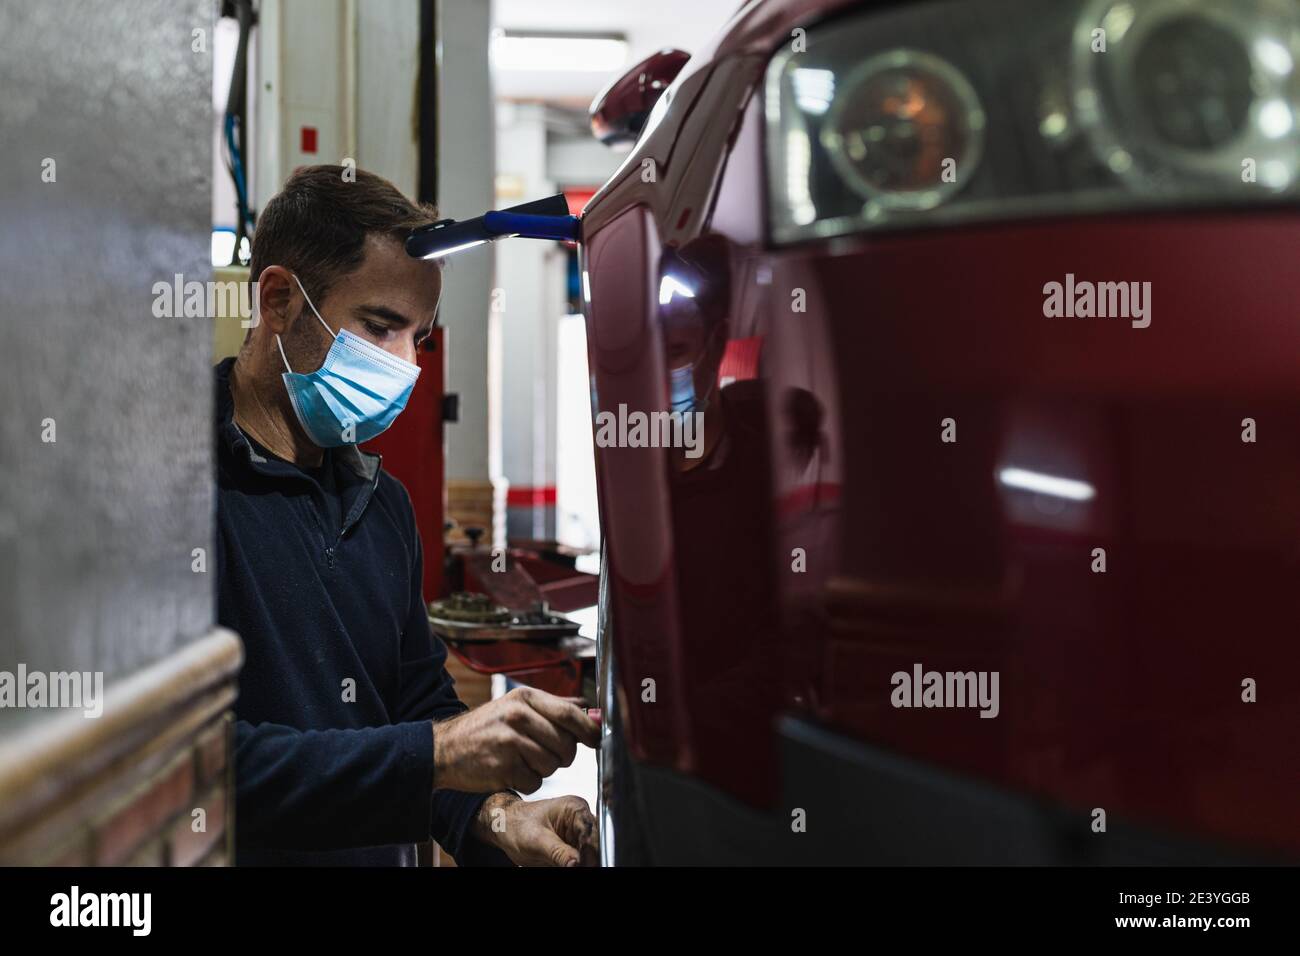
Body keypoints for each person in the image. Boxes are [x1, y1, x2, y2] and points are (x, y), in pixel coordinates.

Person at [216, 165, 599, 866]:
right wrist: (438, 752)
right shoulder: (173, 491)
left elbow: (416, 703)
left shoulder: (381, 505)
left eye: (418, 337)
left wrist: (496, 815)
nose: (405, 363)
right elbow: (189, 765)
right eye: (380, 326)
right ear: (278, 301)